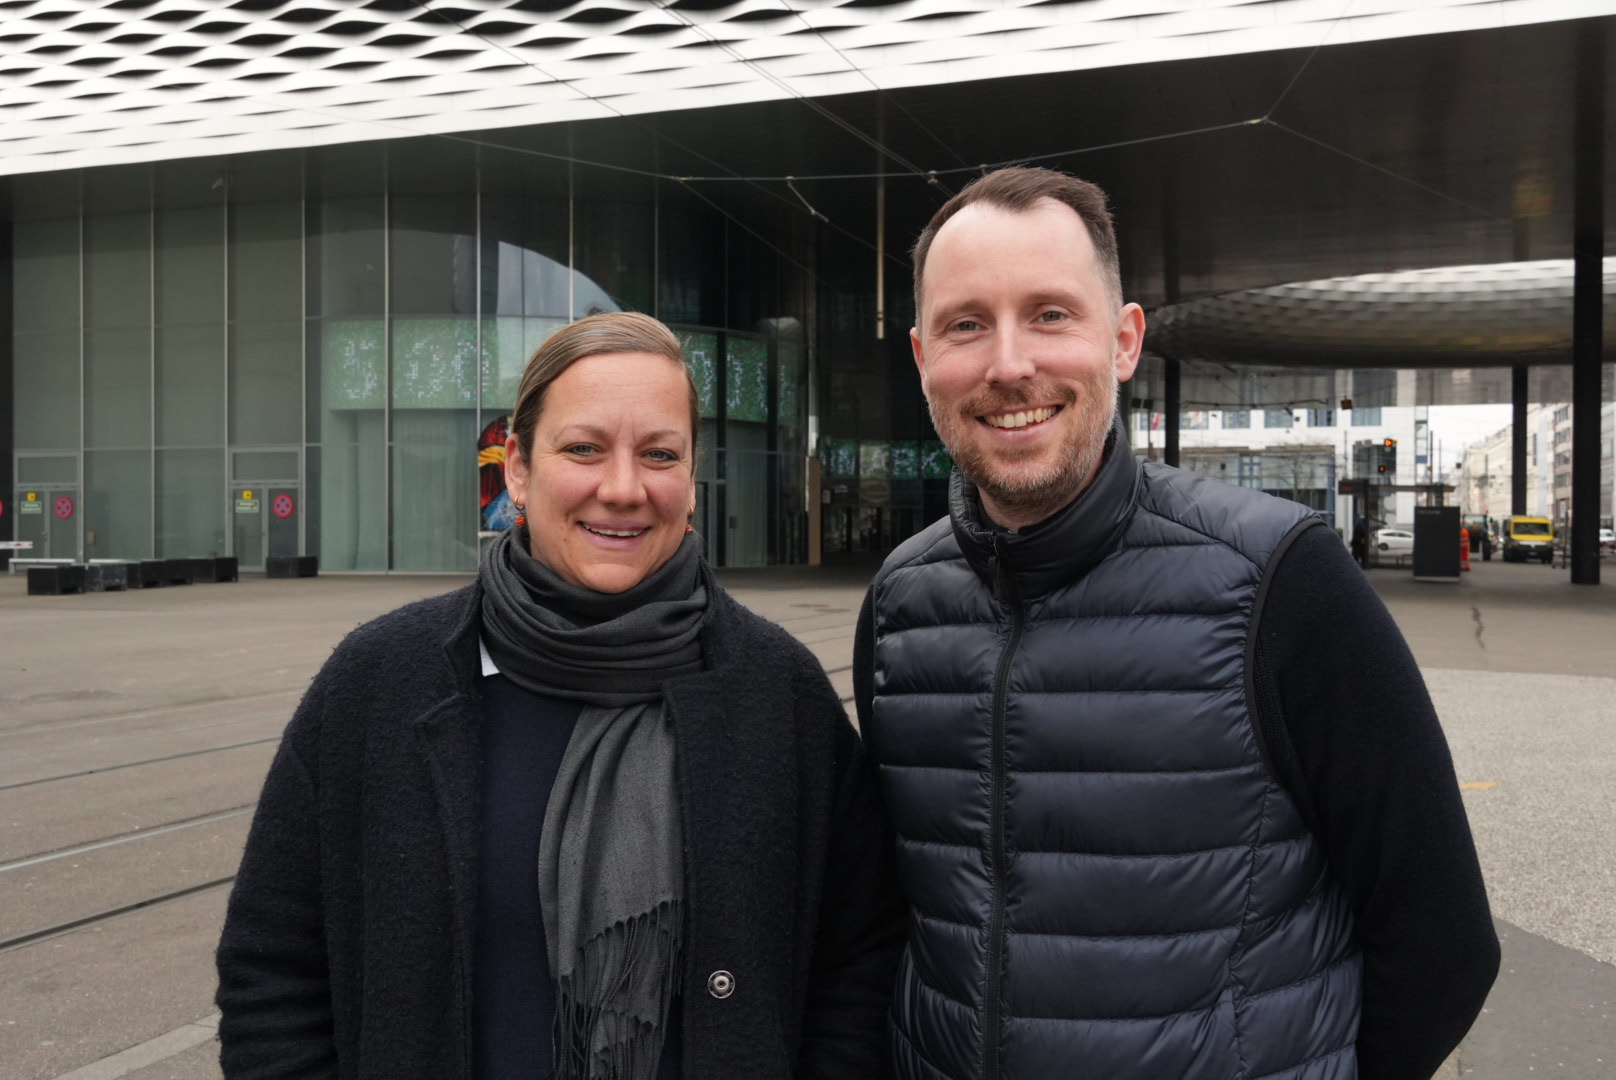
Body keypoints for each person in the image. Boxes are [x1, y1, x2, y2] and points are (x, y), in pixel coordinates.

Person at [853, 168, 1499, 1078]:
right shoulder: (898, 604)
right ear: (922, 358)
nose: (1008, 364)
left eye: (1049, 313)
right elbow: (892, 919)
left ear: (1123, 342)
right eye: (967, 323)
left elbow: (1443, 941)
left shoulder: (1282, 579)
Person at [217, 311, 904, 1080]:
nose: (622, 488)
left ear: (693, 477)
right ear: (516, 467)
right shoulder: (380, 683)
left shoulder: (779, 695)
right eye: (583, 449)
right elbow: (272, 970)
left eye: (659, 454)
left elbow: (859, 963)